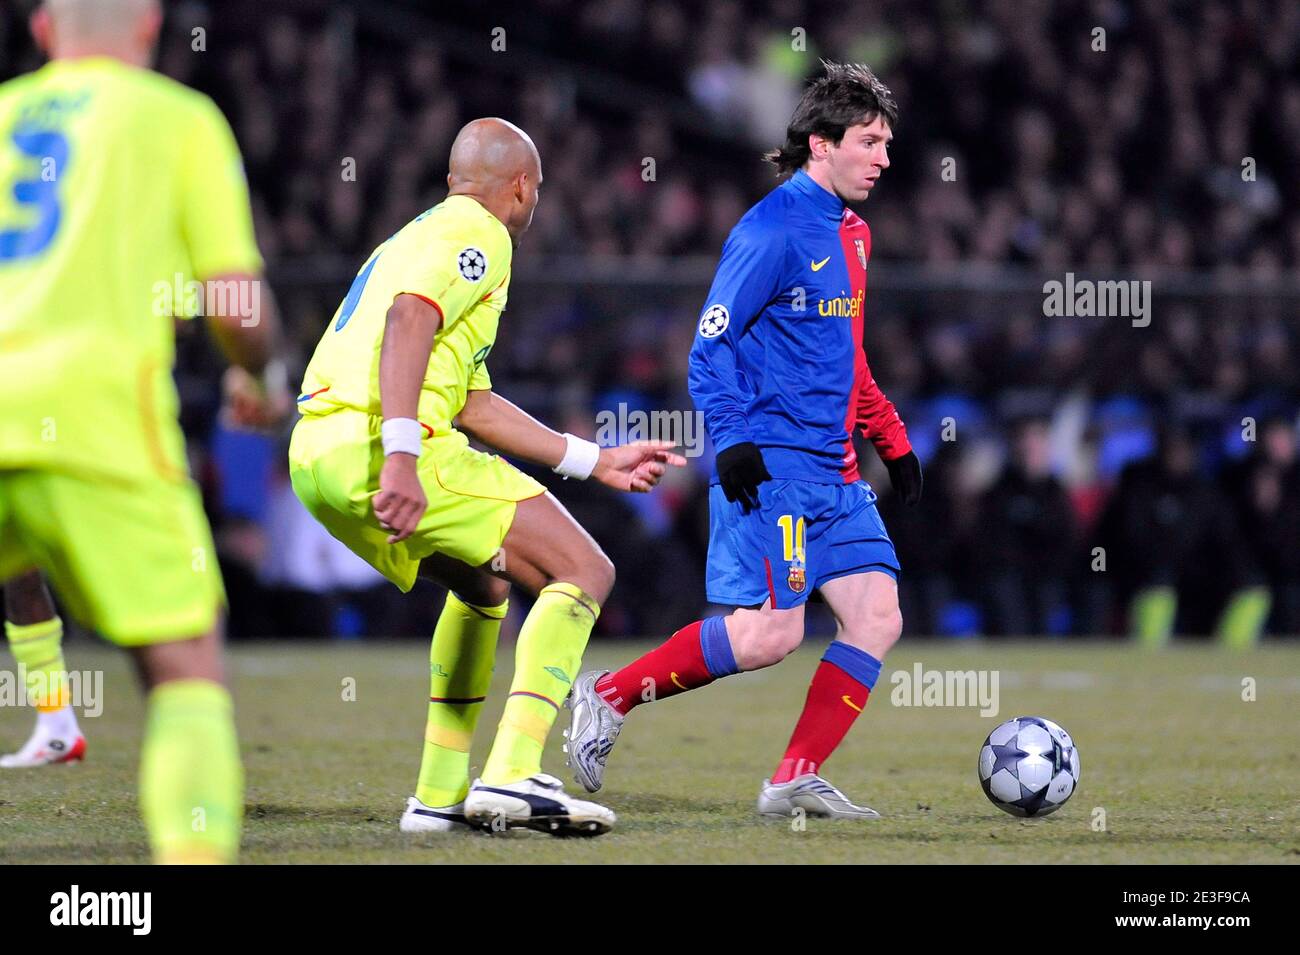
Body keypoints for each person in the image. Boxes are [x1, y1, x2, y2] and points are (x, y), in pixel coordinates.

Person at [289, 117, 684, 837]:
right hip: (386, 445)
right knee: (584, 569)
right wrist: (404, 455)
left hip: (319, 452)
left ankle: (437, 795)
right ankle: (512, 772)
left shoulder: (414, 235)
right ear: (523, 187)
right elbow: (411, 319)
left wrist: (595, 460)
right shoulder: (481, 233)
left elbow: (472, 400)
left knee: (483, 584)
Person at [565, 62, 921, 820]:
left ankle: (792, 776)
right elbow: (708, 347)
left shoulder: (854, 234)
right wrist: (731, 442)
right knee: (768, 636)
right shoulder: (769, 230)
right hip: (775, 470)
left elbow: (847, 352)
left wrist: (890, 436)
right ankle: (606, 694)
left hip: (838, 468)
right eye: (870, 141)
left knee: (878, 615)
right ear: (821, 145)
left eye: (887, 142)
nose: (884, 158)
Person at [0, 0, 283, 861]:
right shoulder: (177, 118)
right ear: (151, 27)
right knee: (185, 667)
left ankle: (53, 718)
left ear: (44, 30)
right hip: (96, 420)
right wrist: (258, 370)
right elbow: (233, 297)